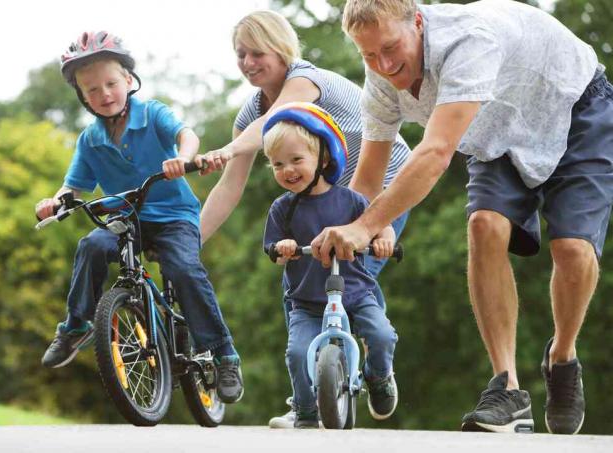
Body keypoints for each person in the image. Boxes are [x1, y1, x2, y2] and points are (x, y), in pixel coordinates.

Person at [312, 0, 613, 434]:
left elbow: (435, 153)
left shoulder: (467, 40)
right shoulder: (380, 79)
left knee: (571, 248)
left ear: (417, 21)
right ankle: (507, 389)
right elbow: (369, 176)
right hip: (493, 127)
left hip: (575, 107)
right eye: (369, 55)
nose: (383, 63)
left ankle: (562, 358)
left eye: (391, 47)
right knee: (483, 224)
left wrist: (366, 226)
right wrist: (341, 228)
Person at [195, 9, 412, 428]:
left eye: (257, 52)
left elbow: (271, 122)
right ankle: (309, 396)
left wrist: (229, 147)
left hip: (379, 186)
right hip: (319, 202)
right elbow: (229, 188)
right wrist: (193, 241)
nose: (247, 63)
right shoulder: (249, 115)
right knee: (307, 277)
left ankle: (377, 367)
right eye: (241, 54)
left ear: (281, 49)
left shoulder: (305, 79)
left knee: (355, 277)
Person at [34, 31, 243, 403]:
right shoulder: (89, 140)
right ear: (83, 96)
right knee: (92, 245)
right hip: (127, 219)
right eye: (92, 90)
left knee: (183, 268)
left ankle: (224, 353)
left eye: (111, 83)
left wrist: (183, 156)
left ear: (128, 81)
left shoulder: (152, 113)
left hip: (174, 216)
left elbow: (186, 134)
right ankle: (75, 326)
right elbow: (74, 188)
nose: (104, 94)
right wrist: (55, 201)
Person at [262, 102, 399, 428]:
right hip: (308, 300)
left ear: (323, 158)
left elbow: (381, 223)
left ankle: (378, 378)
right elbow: (273, 248)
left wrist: (384, 240)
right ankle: (306, 411)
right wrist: (283, 248)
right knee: (298, 354)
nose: (287, 170)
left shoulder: (350, 200)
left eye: (296, 160)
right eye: (277, 164)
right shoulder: (283, 209)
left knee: (381, 335)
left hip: (355, 293)